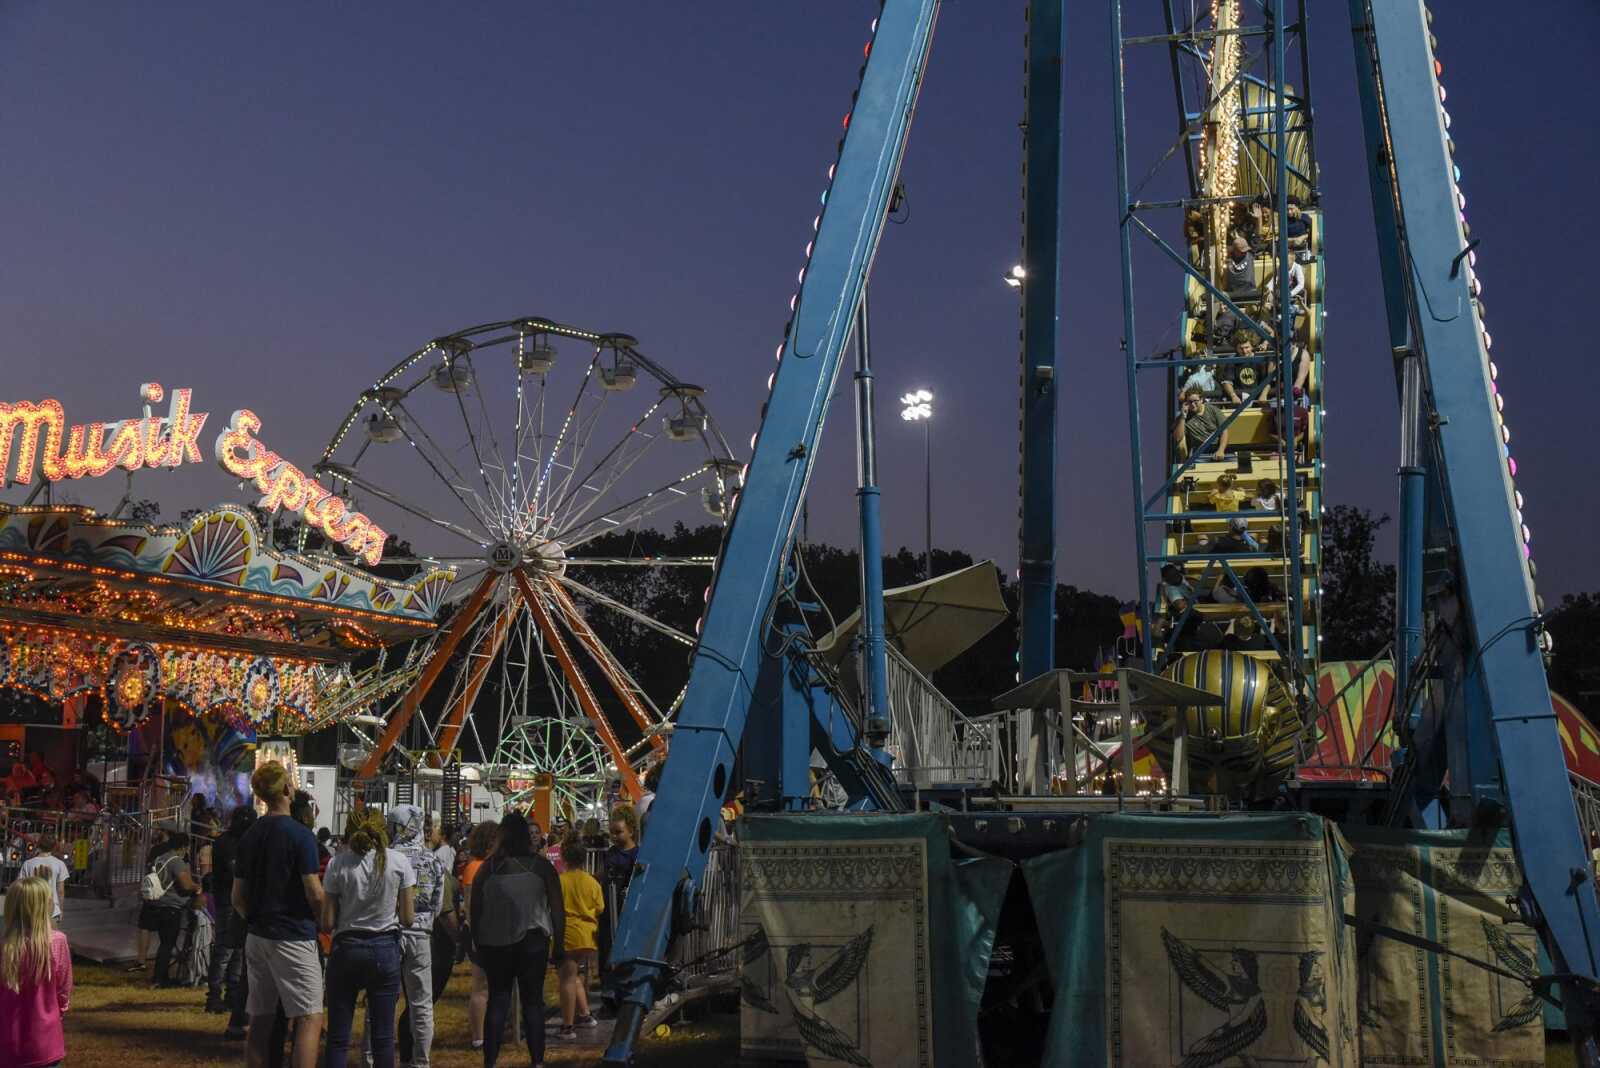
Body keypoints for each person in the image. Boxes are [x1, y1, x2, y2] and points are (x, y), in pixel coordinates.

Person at [233, 761, 325, 1068]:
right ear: (286, 788)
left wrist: (258, 919)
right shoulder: (301, 836)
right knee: (309, 1017)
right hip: (293, 934)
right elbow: (313, 891)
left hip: (258, 935)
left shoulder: (250, 835)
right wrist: (327, 918)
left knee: (260, 1018)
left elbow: (237, 897)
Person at [470, 811, 564, 1068]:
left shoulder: (487, 869)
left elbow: (475, 908)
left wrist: (476, 942)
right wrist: (561, 944)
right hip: (533, 942)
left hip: (495, 942)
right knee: (533, 1003)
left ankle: (490, 1061)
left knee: (498, 1000)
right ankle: (537, 1061)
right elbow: (557, 907)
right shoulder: (541, 867)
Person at [322, 808, 414, 1068]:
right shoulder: (398, 862)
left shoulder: (337, 863)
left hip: (347, 948)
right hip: (384, 949)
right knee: (383, 1038)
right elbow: (407, 917)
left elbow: (327, 922)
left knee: (338, 1038)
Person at [387, 805, 444, 1068]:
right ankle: (422, 1062)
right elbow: (438, 904)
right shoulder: (433, 860)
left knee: (383, 1001)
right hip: (420, 934)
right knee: (421, 1004)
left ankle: (374, 1058)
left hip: (389, 933)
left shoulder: (386, 858)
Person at [0, 876, 73, 1068]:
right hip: (46, 1040)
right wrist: (60, 1011)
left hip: (7, 1039)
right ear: (45, 906)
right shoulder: (57, 941)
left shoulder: (4, 946)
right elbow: (64, 989)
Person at [207, 804, 256, 1017]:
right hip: (228, 900)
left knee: (238, 949)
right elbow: (234, 869)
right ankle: (215, 994)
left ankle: (232, 993)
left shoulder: (237, 841)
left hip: (238, 900)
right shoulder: (227, 843)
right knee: (226, 948)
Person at [555, 838, 604, 1040]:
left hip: (568, 934)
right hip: (588, 936)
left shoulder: (560, 881)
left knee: (566, 978)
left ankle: (567, 1027)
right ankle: (585, 1014)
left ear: (563, 858)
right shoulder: (592, 882)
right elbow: (600, 907)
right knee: (574, 975)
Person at [461, 820, 500, 1052]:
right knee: (481, 985)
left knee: (487, 986)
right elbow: (469, 905)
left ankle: (482, 1034)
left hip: (486, 930)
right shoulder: (477, 867)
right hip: (482, 932)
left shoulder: (480, 866)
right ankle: (478, 1036)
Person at [144, 829, 202, 987]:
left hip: (158, 905)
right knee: (167, 944)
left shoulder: (160, 859)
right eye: (187, 847)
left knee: (164, 943)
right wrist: (198, 888)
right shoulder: (176, 861)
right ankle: (160, 979)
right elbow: (186, 884)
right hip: (171, 908)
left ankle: (159, 976)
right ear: (183, 847)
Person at [18, 835, 72, 921]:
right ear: (54, 847)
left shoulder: (27, 864)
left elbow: (21, 887)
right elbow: (61, 891)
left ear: (38, 845)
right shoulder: (59, 864)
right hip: (52, 909)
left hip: (31, 908)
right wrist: (61, 909)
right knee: (51, 934)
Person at [1173, 386, 1230, 460]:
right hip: (1200, 453)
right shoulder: (1183, 418)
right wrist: (1183, 417)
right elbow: (1177, 438)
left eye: (1195, 401)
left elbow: (1224, 431)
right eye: (1190, 402)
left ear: (1201, 400)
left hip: (1218, 448)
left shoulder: (1212, 410)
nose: (1193, 404)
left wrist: (1221, 450)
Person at [604, 805, 640, 890]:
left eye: (618, 832)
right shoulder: (611, 851)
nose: (613, 836)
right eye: (611, 832)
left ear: (631, 831)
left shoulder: (636, 855)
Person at [1224, 232, 1258, 301]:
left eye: (1246, 250)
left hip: (1250, 293)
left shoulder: (1250, 256)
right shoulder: (1227, 261)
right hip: (1233, 295)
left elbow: (1257, 240)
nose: (1244, 253)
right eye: (1242, 251)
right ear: (1234, 251)